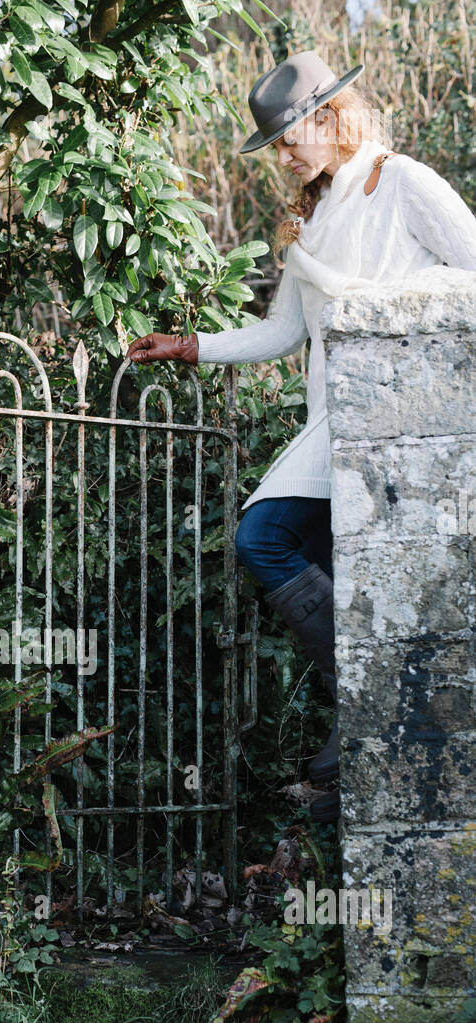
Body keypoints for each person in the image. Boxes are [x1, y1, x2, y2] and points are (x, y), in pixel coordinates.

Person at [126, 49, 476, 823]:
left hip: (394, 421)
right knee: (292, 551)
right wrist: (190, 347)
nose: (283, 158)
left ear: (329, 117)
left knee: (263, 539)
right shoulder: (314, 217)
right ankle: (372, 705)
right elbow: (283, 330)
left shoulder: (404, 183)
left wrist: (397, 304)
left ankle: (369, 698)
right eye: (277, 145)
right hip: (330, 422)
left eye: (288, 139)